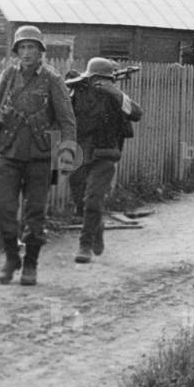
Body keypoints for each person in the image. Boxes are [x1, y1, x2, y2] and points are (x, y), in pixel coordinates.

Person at [0, 25, 76, 286]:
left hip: (40, 156)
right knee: (2, 208)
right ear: (16, 51)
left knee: (35, 213)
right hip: (7, 153)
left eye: (32, 48)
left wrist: (66, 158)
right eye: (22, 48)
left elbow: (67, 120)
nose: (26, 53)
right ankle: (12, 257)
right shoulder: (9, 75)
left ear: (40, 52)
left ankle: (31, 264)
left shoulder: (52, 79)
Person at [66, 58, 142, 263]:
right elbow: (61, 119)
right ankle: (96, 227)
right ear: (89, 79)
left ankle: (85, 245)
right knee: (80, 203)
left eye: (106, 80)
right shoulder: (76, 94)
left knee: (93, 199)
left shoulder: (115, 97)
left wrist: (115, 92)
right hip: (80, 154)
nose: (101, 83)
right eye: (97, 79)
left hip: (104, 155)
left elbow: (137, 113)